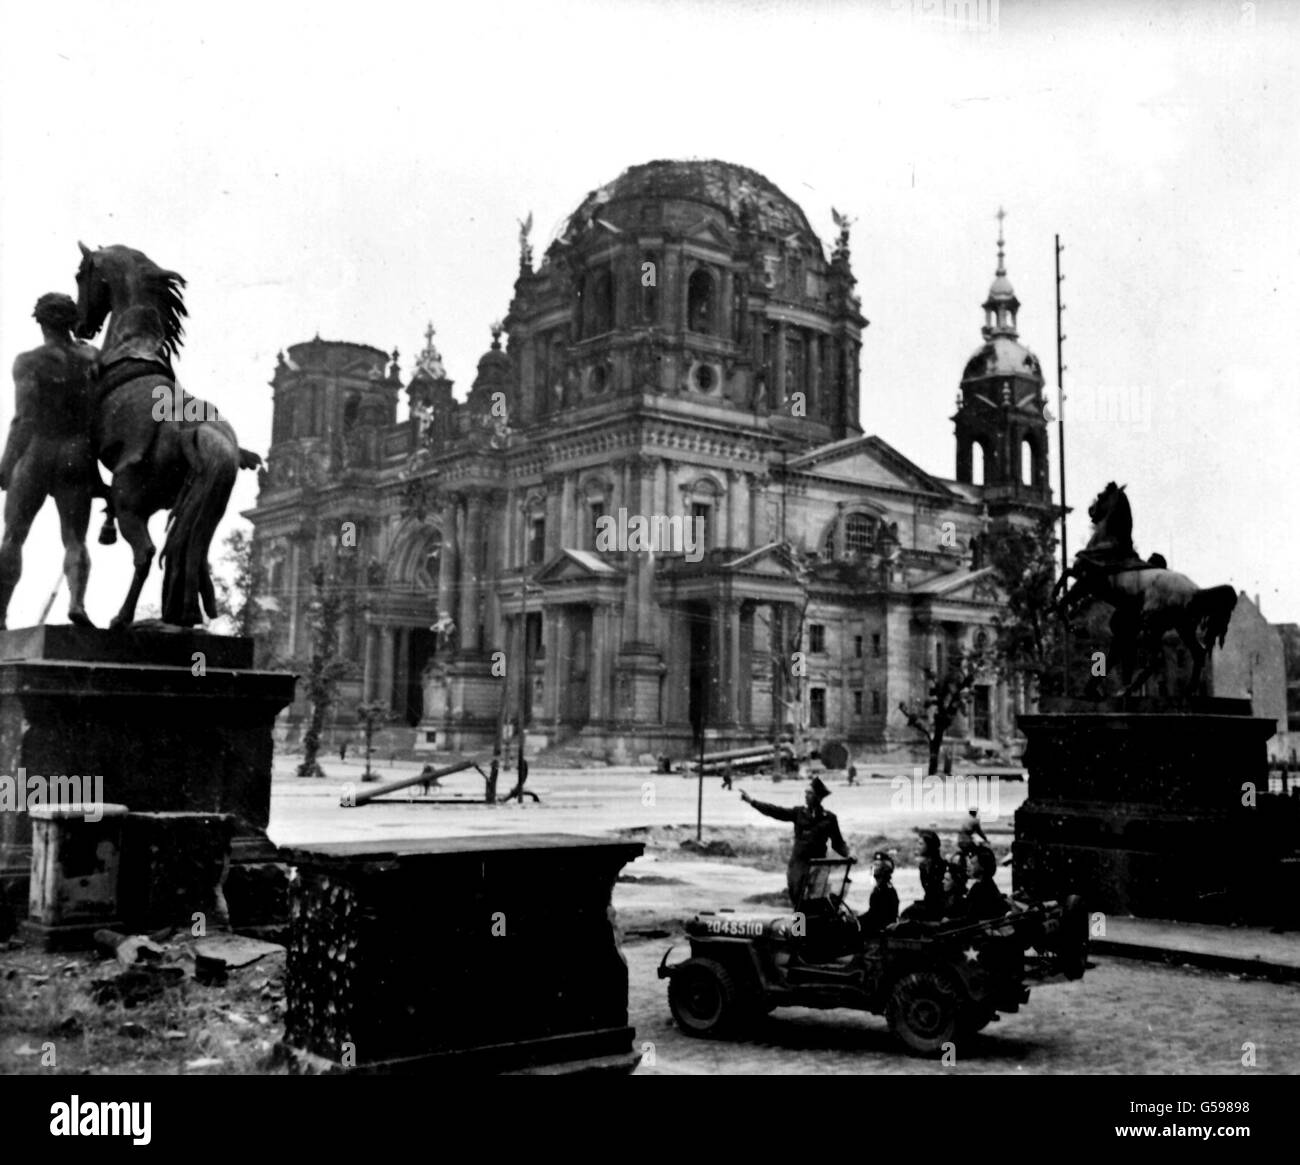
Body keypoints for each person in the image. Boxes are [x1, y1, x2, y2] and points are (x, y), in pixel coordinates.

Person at [0, 293, 105, 629]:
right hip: (77, 452)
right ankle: (77, 603)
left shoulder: (28, 361)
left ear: (41, 322)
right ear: (73, 322)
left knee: (14, 536)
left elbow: (24, 418)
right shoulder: (92, 357)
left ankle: (0, 615)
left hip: (37, 450)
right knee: (75, 539)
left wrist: (6, 464)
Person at [740, 775, 848, 907]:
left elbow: (838, 843)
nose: (806, 796)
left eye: (810, 793)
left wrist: (849, 855)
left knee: (816, 901)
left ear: (818, 797)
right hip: (798, 865)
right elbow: (776, 811)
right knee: (798, 901)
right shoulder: (798, 813)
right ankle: (800, 927)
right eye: (805, 793)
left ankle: (812, 926)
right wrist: (752, 802)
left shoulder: (829, 818)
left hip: (818, 865)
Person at [900, 829, 946, 921]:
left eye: (921, 844)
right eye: (918, 843)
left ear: (930, 846)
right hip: (929, 903)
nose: (917, 847)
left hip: (939, 906)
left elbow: (938, 893)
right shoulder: (923, 866)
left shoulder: (940, 866)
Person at [859, 850, 899, 936]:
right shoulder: (881, 888)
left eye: (877, 865)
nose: (873, 868)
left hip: (881, 931)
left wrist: (857, 921)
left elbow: (876, 916)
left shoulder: (885, 890)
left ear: (885, 869)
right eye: (874, 864)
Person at [966, 846, 1011, 920]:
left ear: (982, 866)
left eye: (973, 863)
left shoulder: (982, 889)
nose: (968, 866)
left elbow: (972, 918)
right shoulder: (985, 884)